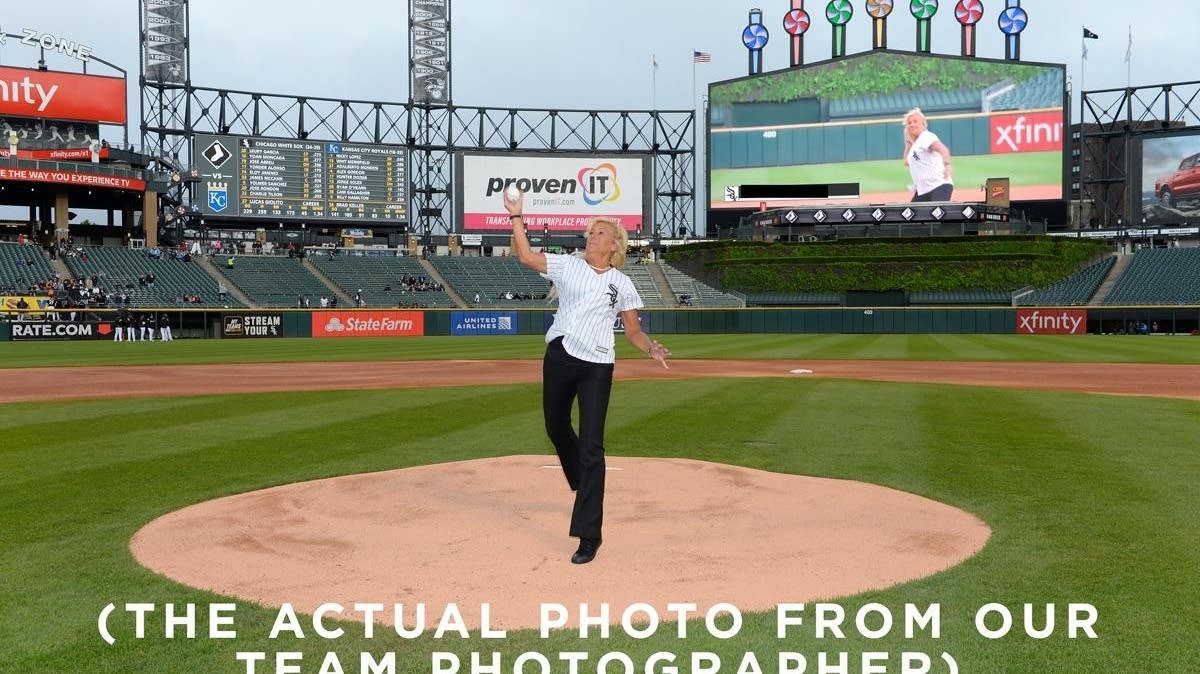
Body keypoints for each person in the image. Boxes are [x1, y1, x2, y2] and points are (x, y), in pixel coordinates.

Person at [504, 188, 670, 565]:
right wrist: (517, 217)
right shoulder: (568, 266)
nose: (591, 235)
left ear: (614, 245)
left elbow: (632, 331)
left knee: (593, 446)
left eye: (599, 232)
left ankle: (589, 535)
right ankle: (582, 480)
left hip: (597, 366)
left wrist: (651, 348)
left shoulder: (622, 284)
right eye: (590, 231)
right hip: (560, 356)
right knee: (556, 426)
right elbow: (527, 256)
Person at [902, 107, 953, 202]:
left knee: (938, 215)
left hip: (939, 186)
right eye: (909, 123)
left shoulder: (926, 136)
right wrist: (908, 143)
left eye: (915, 121)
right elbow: (907, 162)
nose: (912, 124)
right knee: (911, 215)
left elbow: (942, 149)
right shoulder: (915, 146)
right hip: (923, 190)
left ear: (923, 124)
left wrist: (947, 164)